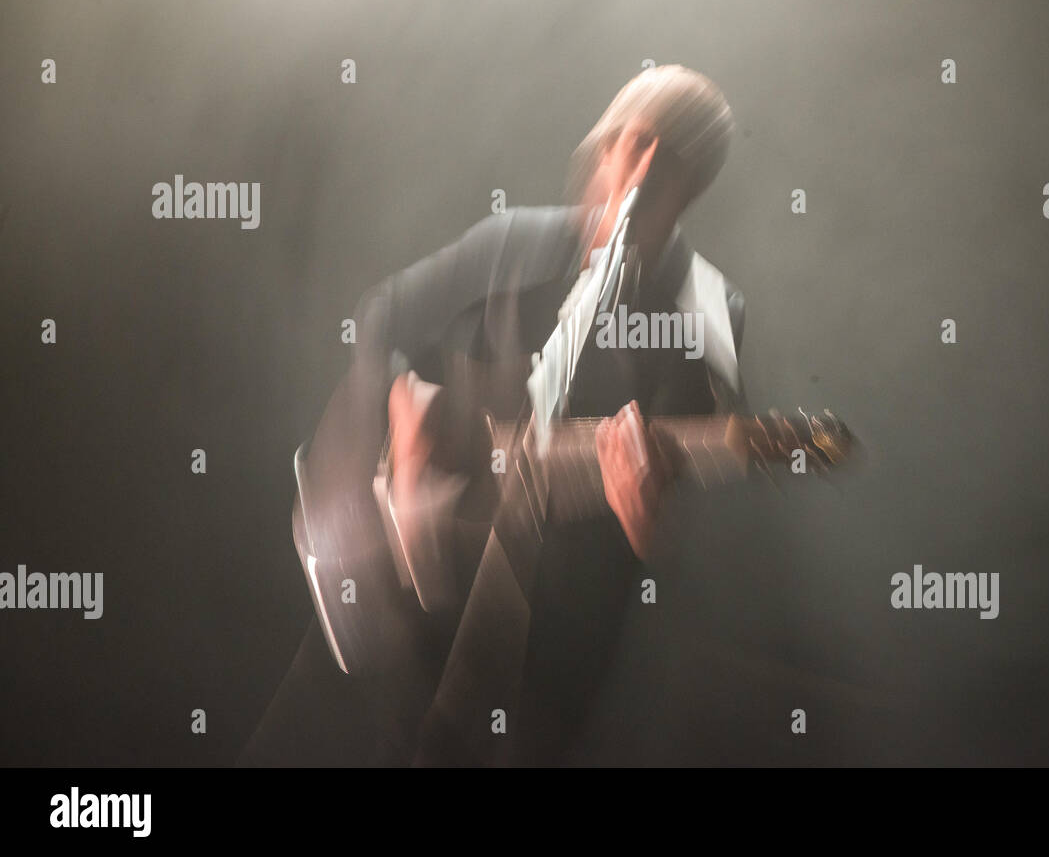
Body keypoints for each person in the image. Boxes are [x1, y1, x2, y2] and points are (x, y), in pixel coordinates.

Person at [240, 64, 746, 766]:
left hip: (545, 635)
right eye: (638, 140)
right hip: (399, 569)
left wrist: (645, 515)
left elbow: (676, 504)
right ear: (605, 149)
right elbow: (382, 316)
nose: (649, 166)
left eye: (677, 155)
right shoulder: (513, 240)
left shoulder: (709, 313)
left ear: (699, 183)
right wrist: (401, 405)